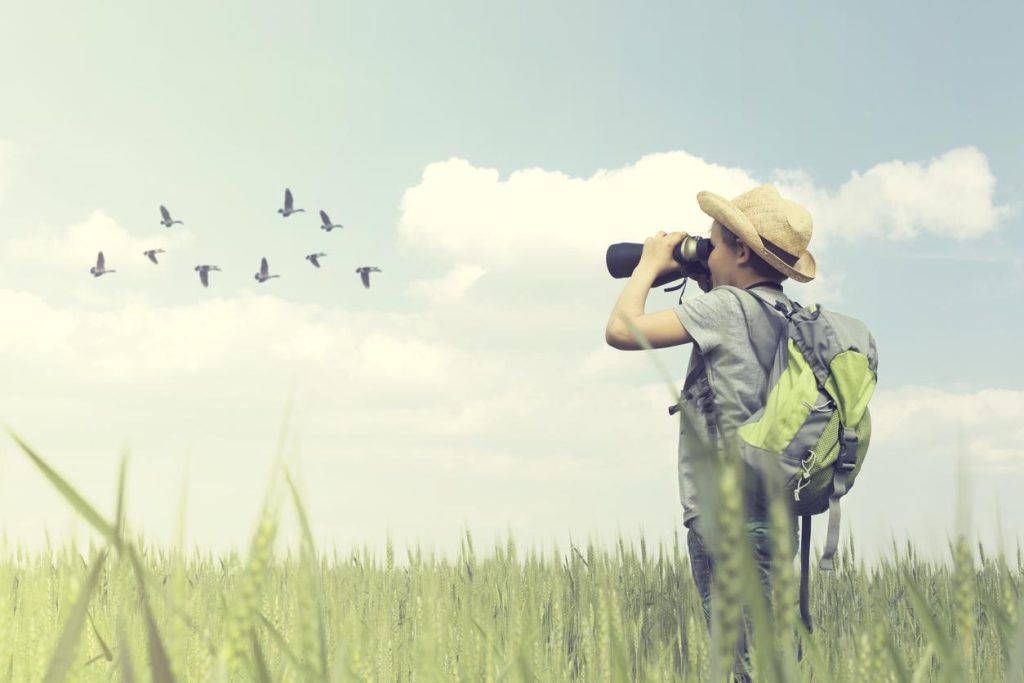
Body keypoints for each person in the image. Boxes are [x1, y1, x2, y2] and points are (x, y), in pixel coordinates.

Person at [604, 184, 817, 681]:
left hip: (724, 517)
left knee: (743, 667)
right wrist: (707, 271)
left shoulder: (725, 309)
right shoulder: (789, 316)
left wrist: (650, 264)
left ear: (742, 251)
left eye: (715, 242)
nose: (708, 249)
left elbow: (620, 329)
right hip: (774, 511)